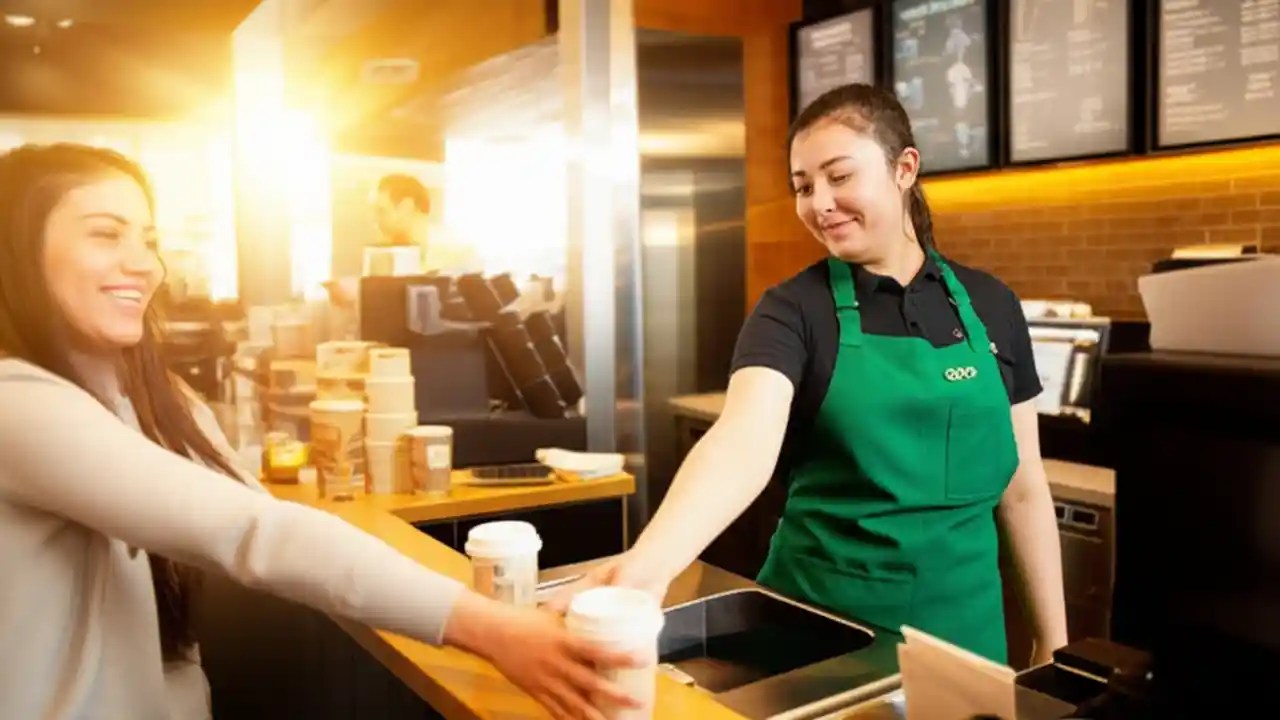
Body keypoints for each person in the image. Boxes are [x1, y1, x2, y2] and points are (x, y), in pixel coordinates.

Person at [0, 143, 638, 720]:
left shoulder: (132, 396)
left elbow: (241, 505)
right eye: (106, 235)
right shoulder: (18, 406)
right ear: (20, 250)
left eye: (147, 239)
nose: (143, 265)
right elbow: (251, 533)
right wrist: (493, 628)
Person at [551, 84, 1068, 666]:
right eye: (803, 186)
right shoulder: (794, 309)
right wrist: (645, 569)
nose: (819, 202)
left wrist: (1054, 642)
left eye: (839, 177)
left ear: (905, 168)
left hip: (966, 643)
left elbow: (1023, 490)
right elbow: (742, 443)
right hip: (819, 637)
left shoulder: (991, 304)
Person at [370, 172, 477, 273]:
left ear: (406, 206)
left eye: (381, 211)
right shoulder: (388, 260)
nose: (375, 222)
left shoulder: (459, 258)